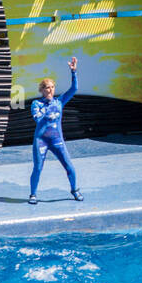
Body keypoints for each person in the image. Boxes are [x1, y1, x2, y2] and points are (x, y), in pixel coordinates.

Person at [30, 56, 82, 203]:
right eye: (47, 87)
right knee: (38, 168)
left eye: (52, 87)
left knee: (69, 166)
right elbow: (38, 119)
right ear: (42, 90)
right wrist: (48, 109)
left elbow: (74, 89)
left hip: (56, 139)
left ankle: (74, 190)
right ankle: (33, 194)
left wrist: (74, 72)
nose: (50, 90)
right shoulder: (36, 104)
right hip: (41, 140)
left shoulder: (59, 102)